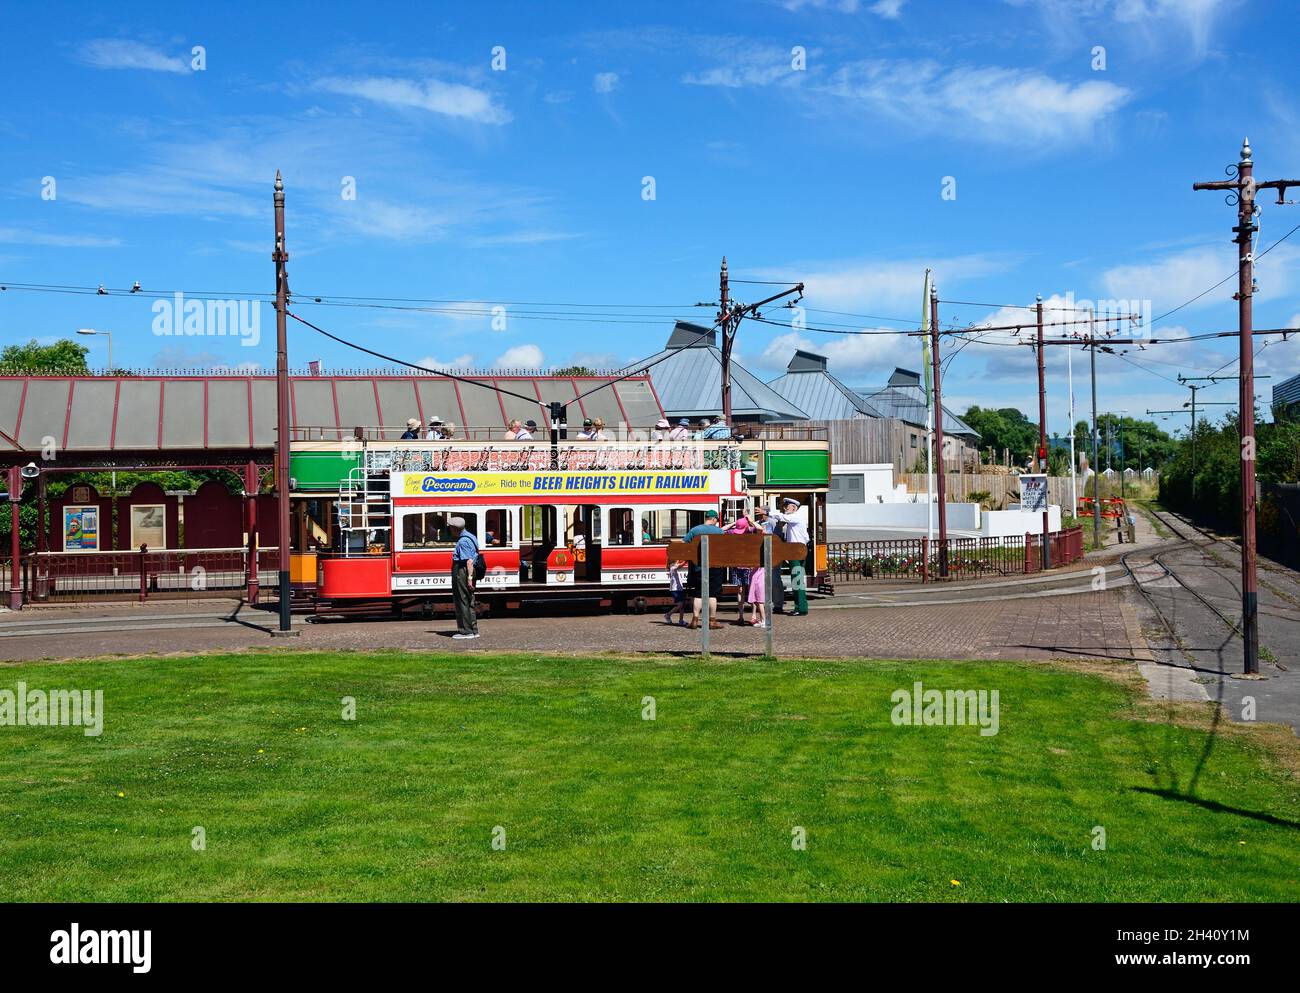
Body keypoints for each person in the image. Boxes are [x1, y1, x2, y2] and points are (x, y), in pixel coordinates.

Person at [683, 509, 725, 630]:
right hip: (715, 566)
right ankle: (712, 621)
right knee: (713, 594)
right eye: (716, 520)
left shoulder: (695, 530)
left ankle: (695, 620)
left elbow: (683, 543)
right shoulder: (719, 531)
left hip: (698, 567)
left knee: (698, 593)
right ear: (713, 519)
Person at [768, 498, 810, 616]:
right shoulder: (797, 519)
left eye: (787, 506)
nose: (785, 508)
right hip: (798, 550)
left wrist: (767, 513)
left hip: (796, 552)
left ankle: (800, 608)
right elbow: (806, 538)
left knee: (797, 580)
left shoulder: (795, 517)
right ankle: (800, 606)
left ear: (794, 508)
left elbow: (781, 517)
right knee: (798, 579)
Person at [449, 516, 480, 640]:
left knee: (462, 600)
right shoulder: (471, 536)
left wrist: (469, 578)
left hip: (463, 571)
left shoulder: (462, 541)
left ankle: (466, 631)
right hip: (468, 571)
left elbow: (469, 561)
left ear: (454, 529)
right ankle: (473, 630)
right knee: (469, 600)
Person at [753, 505, 786, 615]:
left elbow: (777, 538)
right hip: (761, 554)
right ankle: (764, 604)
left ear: (766, 512)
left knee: (775, 579)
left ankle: (778, 605)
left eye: (760, 510)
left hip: (773, 554)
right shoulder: (758, 522)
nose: (757, 512)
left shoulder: (773, 522)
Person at [664, 559, 687, 626]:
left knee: (683, 605)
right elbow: (680, 565)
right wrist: (687, 560)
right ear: (673, 562)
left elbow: (679, 564)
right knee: (680, 604)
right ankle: (668, 615)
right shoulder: (673, 568)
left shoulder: (673, 567)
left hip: (679, 589)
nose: (678, 561)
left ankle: (681, 620)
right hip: (675, 590)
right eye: (677, 560)